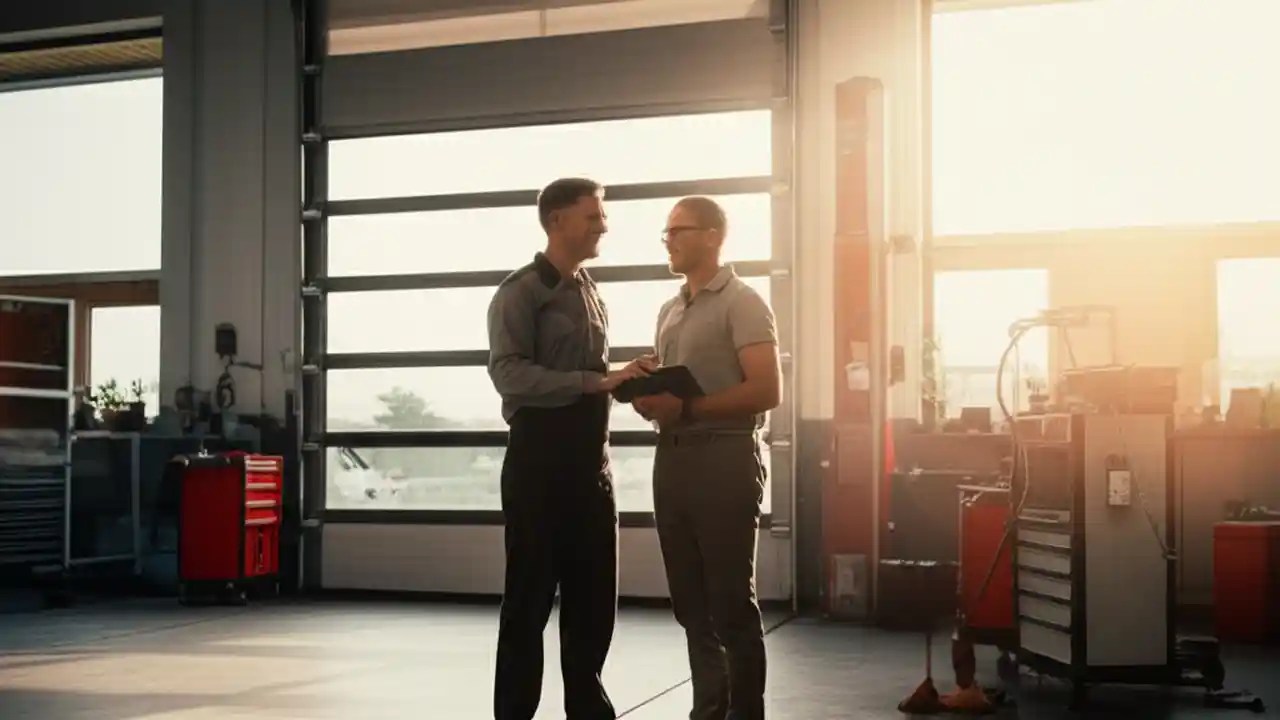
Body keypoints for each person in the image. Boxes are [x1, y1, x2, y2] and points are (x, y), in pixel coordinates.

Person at [487, 177, 654, 720]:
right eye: (593, 215)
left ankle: (588, 710)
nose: (603, 224)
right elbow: (509, 375)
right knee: (528, 605)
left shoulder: (589, 290)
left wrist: (626, 379)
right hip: (539, 465)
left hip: (591, 467)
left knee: (593, 602)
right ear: (557, 221)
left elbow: (593, 375)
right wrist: (592, 382)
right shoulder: (521, 292)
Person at [632, 196, 782, 720]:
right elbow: (677, 397)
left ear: (714, 236)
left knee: (729, 606)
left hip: (725, 459)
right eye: (667, 232)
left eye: (680, 230)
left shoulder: (743, 302)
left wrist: (688, 406)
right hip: (672, 461)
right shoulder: (670, 309)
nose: (669, 240)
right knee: (690, 606)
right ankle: (708, 712)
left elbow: (767, 389)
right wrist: (653, 399)